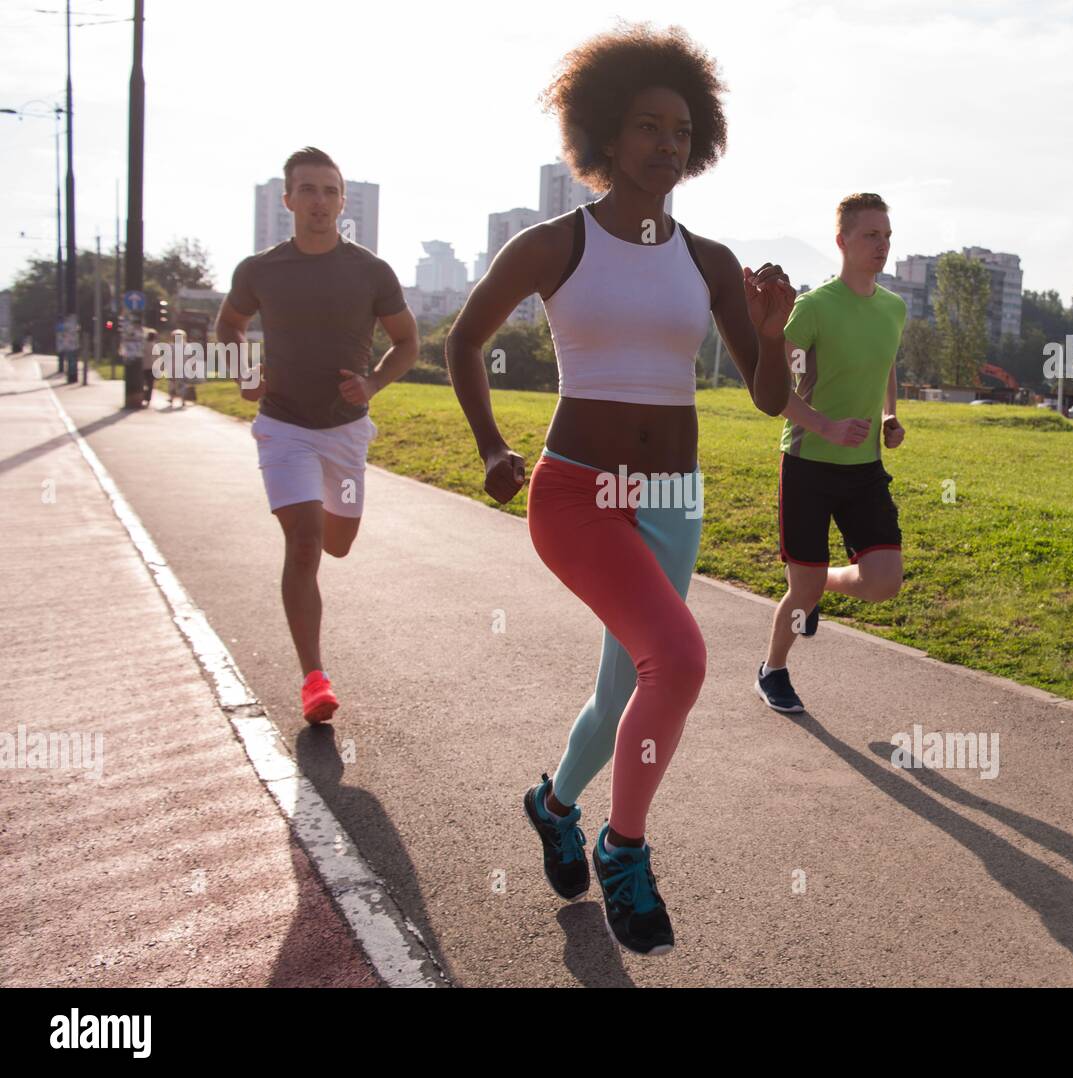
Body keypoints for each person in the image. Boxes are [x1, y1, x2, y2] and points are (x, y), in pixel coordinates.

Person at [446, 24, 791, 956]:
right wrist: (488, 446)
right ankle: (622, 848)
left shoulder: (712, 261)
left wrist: (772, 329)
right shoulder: (553, 244)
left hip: (674, 501)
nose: (666, 145)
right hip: (577, 493)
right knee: (676, 661)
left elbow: (770, 400)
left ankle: (552, 804)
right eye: (647, 126)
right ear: (603, 133)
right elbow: (462, 341)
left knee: (621, 693)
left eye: (681, 130)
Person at [214, 146, 418, 724]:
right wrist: (244, 370)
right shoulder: (260, 270)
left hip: (346, 433)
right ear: (288, 201)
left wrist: (373, 384)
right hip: (282, 426)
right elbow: (229, 323)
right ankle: (313, 679)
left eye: (330, 191)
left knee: (338, 543)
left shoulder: (371, 271)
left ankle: (314, 661)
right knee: (304, 541)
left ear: (342, 202)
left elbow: (408, 343)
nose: (319, 202)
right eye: (308, 190)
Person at [755, 193, 908, 713]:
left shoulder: (893, 308)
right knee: (801, 591)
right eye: (871, 235)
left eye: (887, 235)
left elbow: (885, 363)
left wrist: (888, 414)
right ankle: (772, 669)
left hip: (864, 469)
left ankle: (823, 587)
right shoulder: (812, 309)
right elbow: (772, 386)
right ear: (842, 241)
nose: (882, 245)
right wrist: (825, 425)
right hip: (807, 467)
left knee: (885, 582)